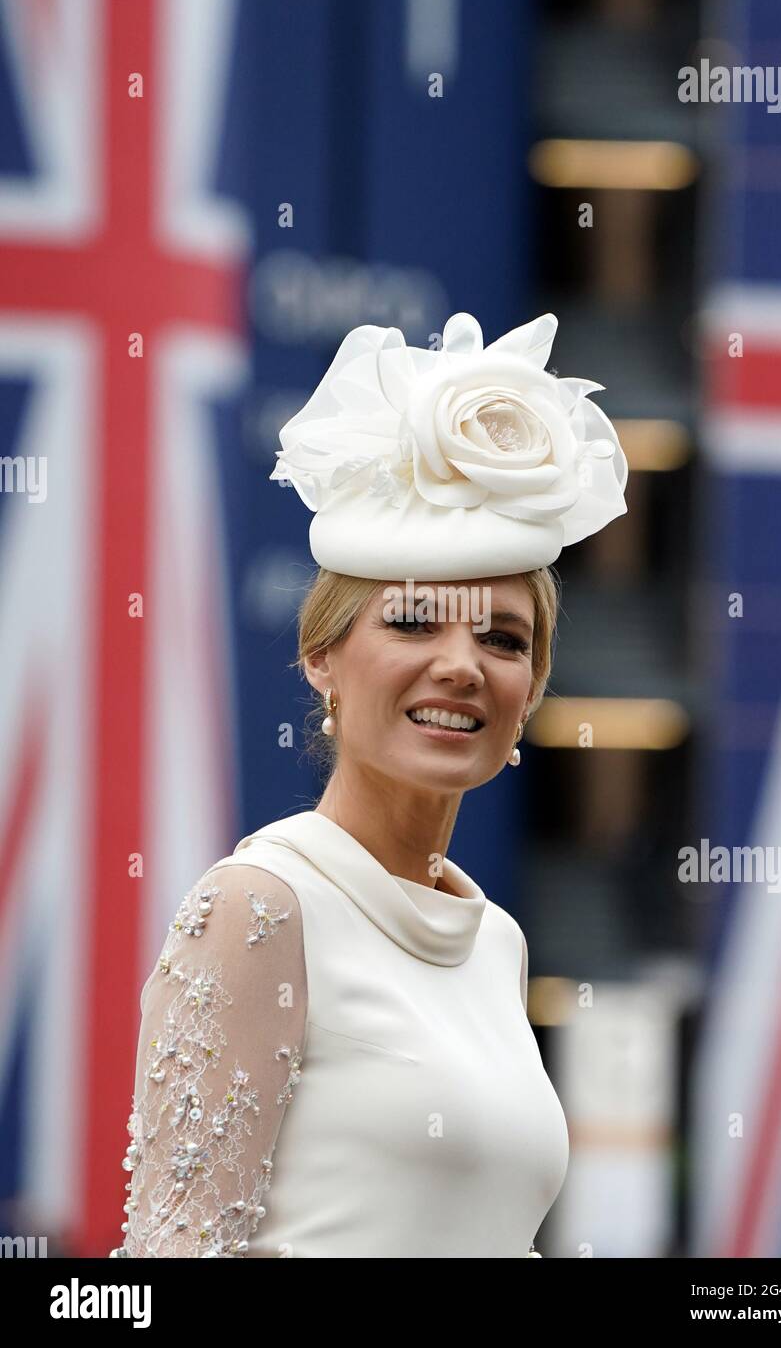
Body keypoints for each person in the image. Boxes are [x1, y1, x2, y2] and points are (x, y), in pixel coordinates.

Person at [110, 309, 628, 1258]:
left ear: (530, 692)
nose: (462, 665)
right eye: (415, 623)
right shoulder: (260, 904)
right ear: (322, 659)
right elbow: (170, 1256)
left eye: (503, 639)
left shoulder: (496, 944)